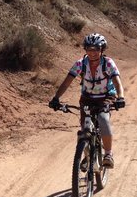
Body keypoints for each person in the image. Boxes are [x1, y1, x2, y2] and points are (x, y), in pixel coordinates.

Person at [48, 33, 125, 168]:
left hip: (106, 96)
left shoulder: (108, 63)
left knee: (102, 119)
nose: (92, 52)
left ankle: (108, 154)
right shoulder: (80, 64)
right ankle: (87, 156)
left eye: (96, 49)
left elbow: (117, 83)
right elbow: (66, 83)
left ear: (102, 50)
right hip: (87, 98)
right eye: (89, 49)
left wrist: (121, 97)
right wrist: (56, 98)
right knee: (85, 129)